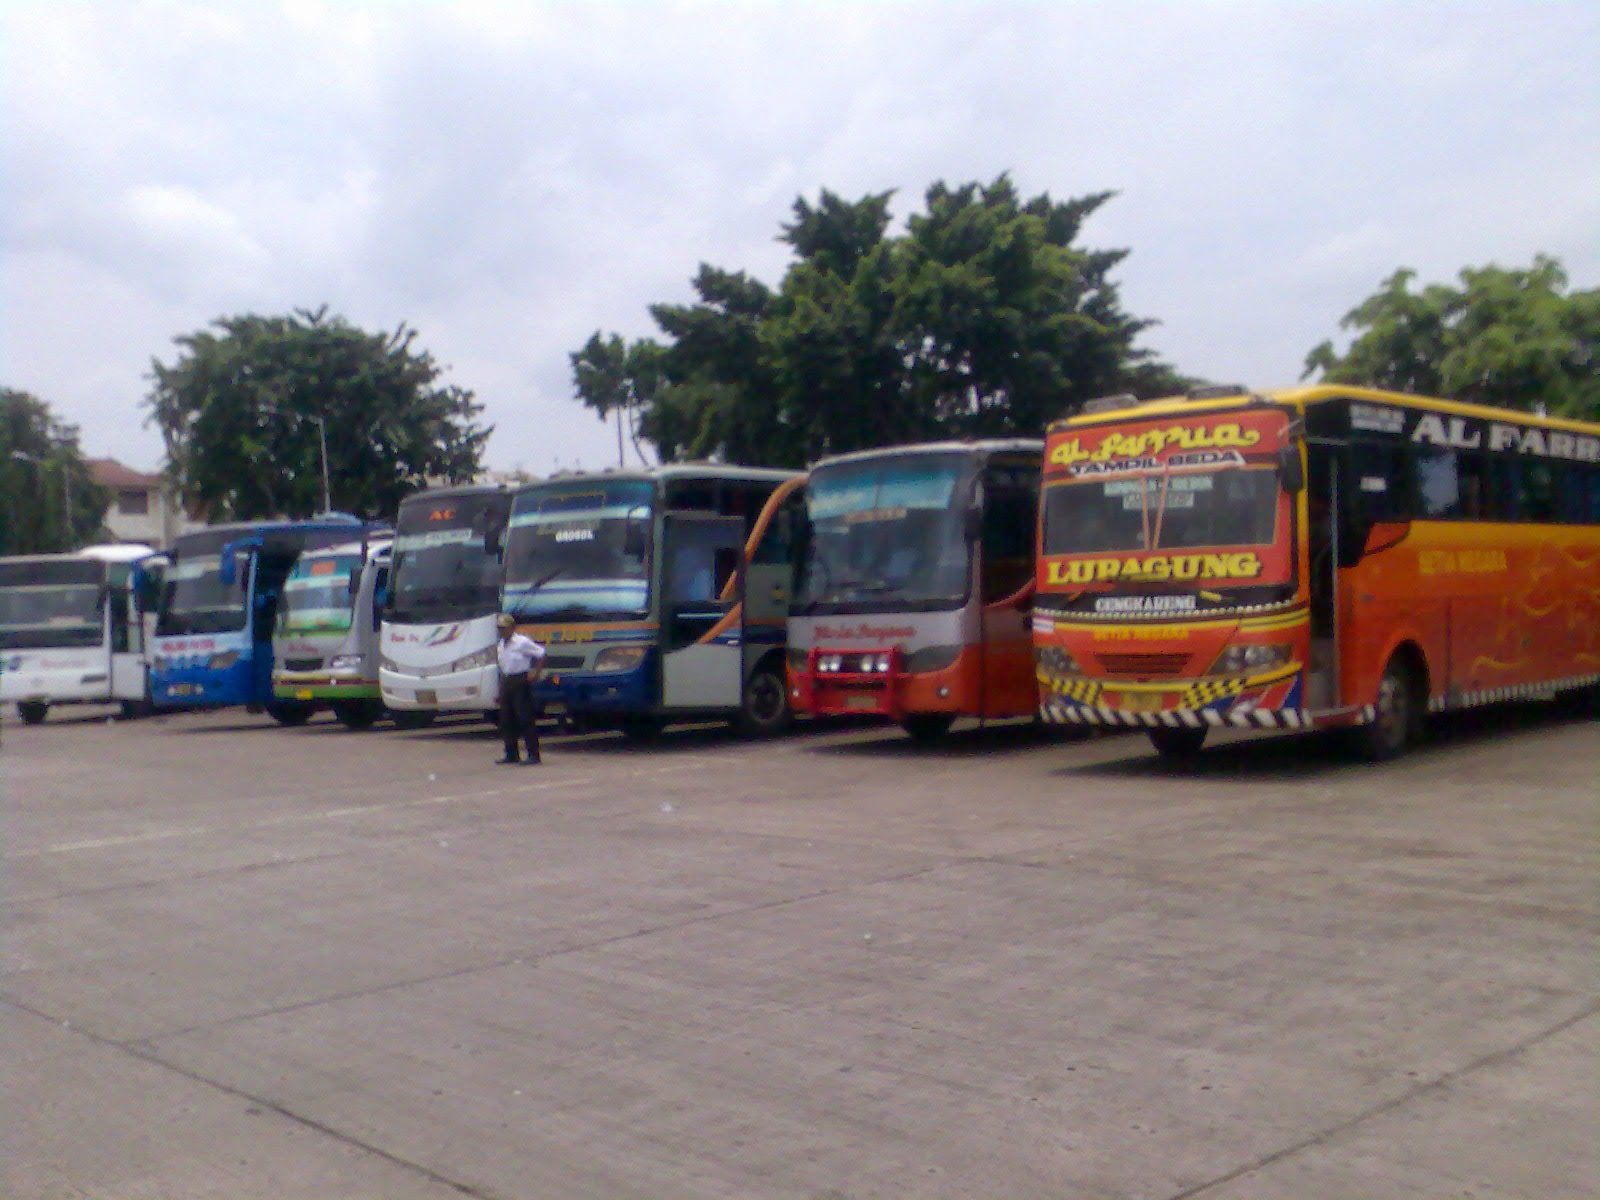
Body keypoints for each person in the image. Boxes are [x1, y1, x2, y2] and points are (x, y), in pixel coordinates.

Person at [495, 613, 546, 765]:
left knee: (525, 718)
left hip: (520, 680)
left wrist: (535, 672)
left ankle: (533, 755)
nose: (501, 631)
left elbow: (541, 653)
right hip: (507, 680)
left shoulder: (522, 642)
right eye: (499, 628)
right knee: (506, 719)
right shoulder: (500, 645)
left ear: (512, 627)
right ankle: (511, 754)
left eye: (504, 628)